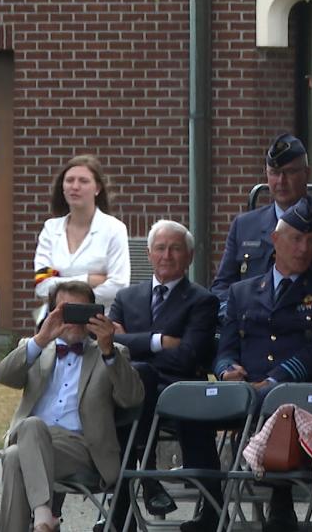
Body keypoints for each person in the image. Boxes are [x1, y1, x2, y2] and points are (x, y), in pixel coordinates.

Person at [215, 196, 312, 531]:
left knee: (273, 402)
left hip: (295, 390)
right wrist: (226, 370)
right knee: (188, 407)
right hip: (246, 388)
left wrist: (274, 382)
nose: (304, 249)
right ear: (275, 240)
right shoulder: (242, 291)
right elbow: (225, 348)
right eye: (296, 239)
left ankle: (280, 502)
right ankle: (211, 505)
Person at [101, 220, 221, 532]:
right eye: (160, 248)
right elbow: (107, 344)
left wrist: (132, 341)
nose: (167, 255)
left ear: (189, 256)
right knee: (131, 383)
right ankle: (137, 495)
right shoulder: (126, 297)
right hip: (128, 387)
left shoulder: (202, 301)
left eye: (175, 248)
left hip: (177, 387)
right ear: (149, 253)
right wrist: (158, 341)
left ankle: (136, 499)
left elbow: (187, 356)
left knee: (140, 375)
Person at [0, 281, 145, 532]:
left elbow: (132, 398)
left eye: (82, 312)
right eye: (67, 312)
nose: (75, 321)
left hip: (82, 448)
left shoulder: (112, 352)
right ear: (53, 314)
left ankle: (44, 517)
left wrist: (108, 351)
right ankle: (45, 518)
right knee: (15, 455)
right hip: (32, 443)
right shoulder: (35, 348)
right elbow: (4, 376)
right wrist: (41, 338)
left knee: (25, 436)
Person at [210, 133, 312, 308]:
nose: (281, 181)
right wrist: (239, 315)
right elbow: (221, 287)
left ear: (307, 173)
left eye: (290, 172)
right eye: (275, 173)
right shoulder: (244, 225)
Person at [33, 155, 131, 309]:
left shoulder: (114, 229)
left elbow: (118, 285)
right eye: (70, 180)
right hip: (56, 324)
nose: (75, 186)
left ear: (97, 188)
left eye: (83, 181)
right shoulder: (51, 229)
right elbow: (41, 285)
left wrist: (65, 294)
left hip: (98, 322)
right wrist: (89, 279)